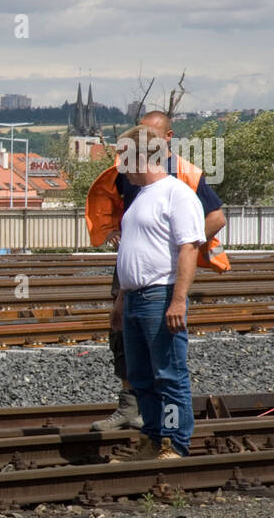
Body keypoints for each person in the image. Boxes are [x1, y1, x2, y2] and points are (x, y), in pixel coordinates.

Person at [86, 110, 228, 430]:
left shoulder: (181, 178)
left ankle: (171, 438)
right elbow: (115, 211)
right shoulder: (132, 178)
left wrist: (178, 247)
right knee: (134, 360)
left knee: (167, 372)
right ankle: (146, 426)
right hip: (133, 284)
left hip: (159, 285)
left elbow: (213, 220)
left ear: (166, 139)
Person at [109, 124, 204, 461]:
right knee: (140, 378)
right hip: (135, 299)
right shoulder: (139, 200)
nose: (120, 165)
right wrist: (121, 300)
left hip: (159, 297)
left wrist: (178, 299)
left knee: (167, 376)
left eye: (124, 157)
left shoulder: (176, 194)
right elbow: (130, 254)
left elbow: (189, 248)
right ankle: (152, 440)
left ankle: (173, 443)